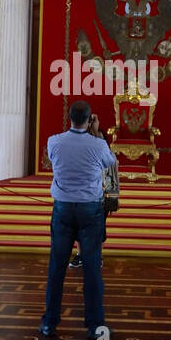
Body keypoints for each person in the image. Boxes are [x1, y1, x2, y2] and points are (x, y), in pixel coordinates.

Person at [40, 100, 117, 338]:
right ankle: (95, 325)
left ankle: (49, 322)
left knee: (57, 268)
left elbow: (55, 159)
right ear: (89, 119)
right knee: (92, 270)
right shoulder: (99, 144)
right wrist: (95, 133)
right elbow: (110, 164)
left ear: (70, 118)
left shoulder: (54, 141)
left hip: (62, 208)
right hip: (90, 210)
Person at [68, 113, 116, 269]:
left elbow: (112, 176)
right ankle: (81, 255)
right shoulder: (82, 154)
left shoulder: (108, 156)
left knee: (98, 228)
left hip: (100, 197)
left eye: (101, 140)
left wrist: (113, 195)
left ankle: (97, 256)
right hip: (81, 195)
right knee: (79, 227)